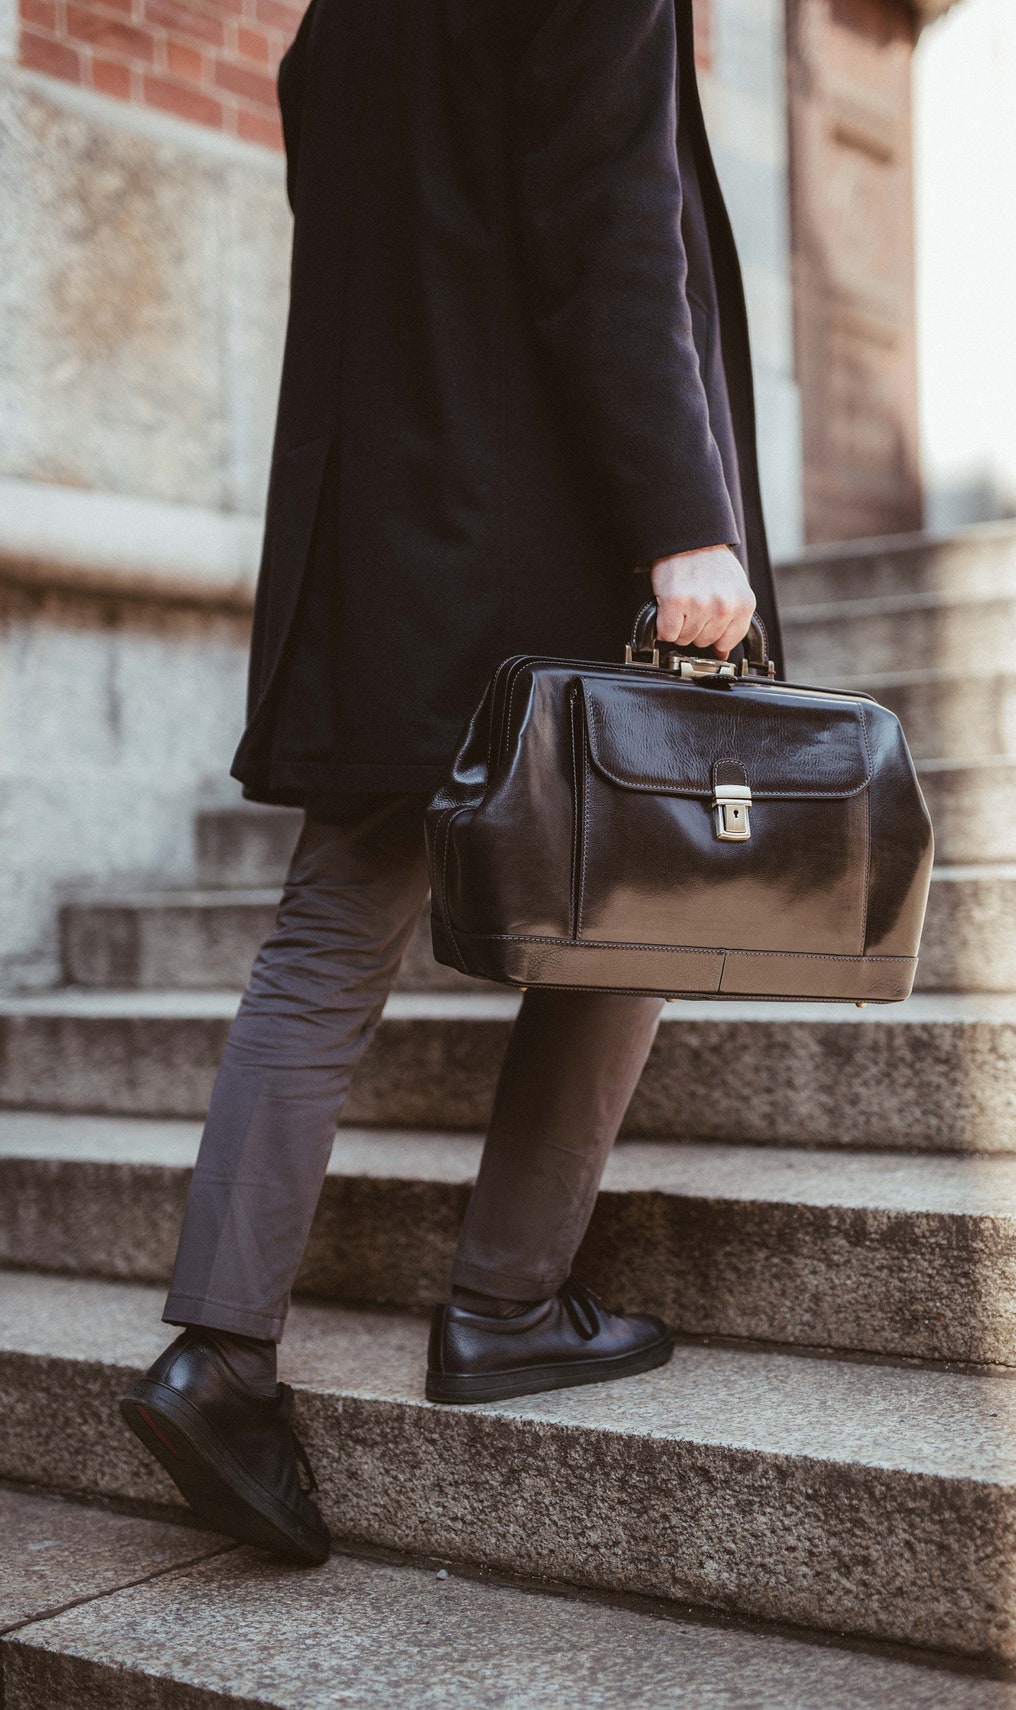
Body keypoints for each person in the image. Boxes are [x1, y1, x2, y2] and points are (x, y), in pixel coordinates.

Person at [120, 0, 783, 1566]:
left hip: (385, 534)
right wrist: (687, 515)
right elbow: (611, 229)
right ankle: (503, 1300)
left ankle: (218, 1349)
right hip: (542, 529)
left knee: (330, 929)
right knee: (642, 893)